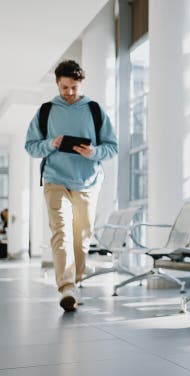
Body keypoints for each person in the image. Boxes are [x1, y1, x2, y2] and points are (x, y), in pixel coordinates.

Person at [25, 60, 118, 312]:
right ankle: (66, 287)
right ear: (57, 83)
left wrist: (93, 152)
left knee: (82, 238)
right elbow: (30, 146)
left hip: (87, 182)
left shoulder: (94, 110)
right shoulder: (46, 110)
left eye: (74, 88)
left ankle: (74, 284)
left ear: (81, 85)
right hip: (55, 180)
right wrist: (50, 144)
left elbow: (112, 147)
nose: (69, 93)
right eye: (65, 87)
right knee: (61, 233)